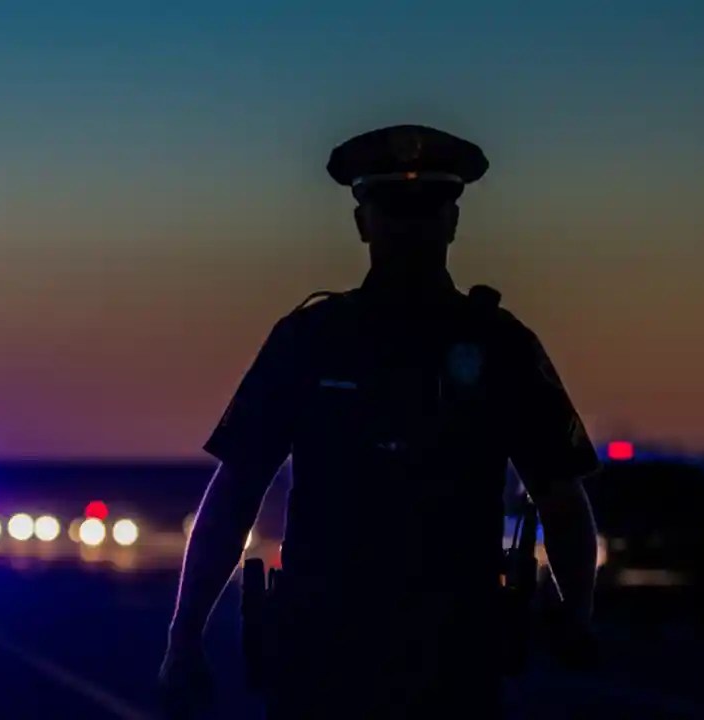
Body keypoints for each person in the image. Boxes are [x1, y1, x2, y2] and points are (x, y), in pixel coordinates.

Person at [159, 124, 601, 718]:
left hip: (449, 656)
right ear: (364, 222)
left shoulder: (499, 345)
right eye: (393, 207)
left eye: (425, 207)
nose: (409, 224)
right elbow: (235, 492)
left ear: (452, 221)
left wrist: (576, 613)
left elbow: (560, 495)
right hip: (330, 654)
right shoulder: (311, 340)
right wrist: (183, 636)